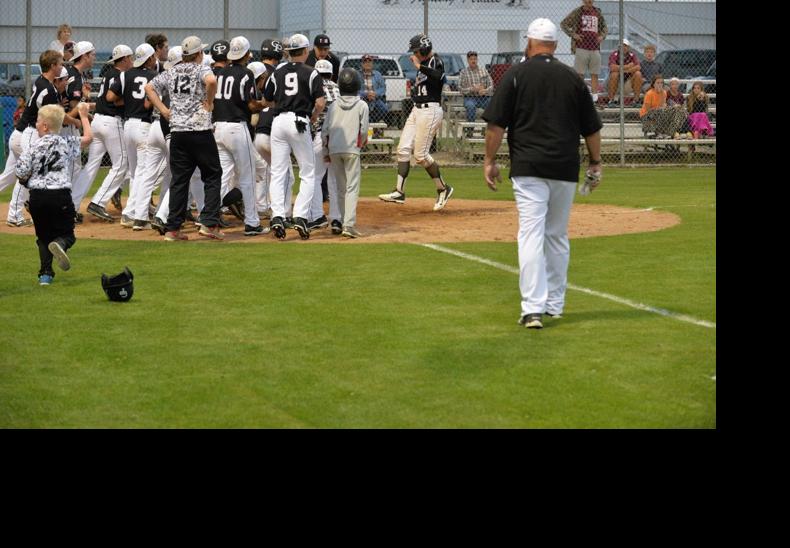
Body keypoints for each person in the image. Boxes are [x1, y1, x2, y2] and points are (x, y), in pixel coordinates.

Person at [483, 18, 603, 329]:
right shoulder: (573, 77)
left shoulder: (516, 74)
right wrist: (595, 161)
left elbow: (496, 125)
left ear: (530, 42)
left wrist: (489, 161)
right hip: (565, 167)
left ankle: (532, 309)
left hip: (528, 167)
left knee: (531, 236)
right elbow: (592, 127)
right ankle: (555, 304)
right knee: (557, 236)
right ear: (555, 45)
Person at [145, 35, 224, 241]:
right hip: (199, 130)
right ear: (199, 53)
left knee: (180, 180)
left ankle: (172, 229)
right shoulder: (201, 68)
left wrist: (163, 109)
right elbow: (212, 81)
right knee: (213, 174)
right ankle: (209, 223)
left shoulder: (172, 71)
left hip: (178, 132)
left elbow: (149, 88)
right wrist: (209, 101)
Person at [15, 103, 92, 285]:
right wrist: (83, 115)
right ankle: (61, 243)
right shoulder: (66, 142)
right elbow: (88, 138)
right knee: (68, 235)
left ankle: (45, 275)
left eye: (38, 121)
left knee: (42, 237)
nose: (36, 124)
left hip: (38, 197)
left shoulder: (33, 146)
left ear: (44, 126)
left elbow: (21, 172)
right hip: (60, 195)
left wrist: (29, 178)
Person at [379, 34, 453, 212]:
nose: (415, 54)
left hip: (430, 110)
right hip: (417, 109)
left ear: (424, 49)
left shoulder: (435, 60)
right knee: (403, 149)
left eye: (416, 51)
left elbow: (440, 77)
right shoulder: (424, 64)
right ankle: (399, 191)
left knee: (420, 156)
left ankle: (443, 189)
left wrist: (419, 66)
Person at [262, 33, 326, 240]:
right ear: (306, 51)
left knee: (278, 172)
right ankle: (300, 217)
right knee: (307, 172)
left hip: (278, 121)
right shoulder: (312, 72)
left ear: (288, 52)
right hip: (299, 121)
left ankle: (278, 215)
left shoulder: (278, 72)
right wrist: (313, 117)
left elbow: (267, 99)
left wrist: (283, 106)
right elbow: (320, 103)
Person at [1, 50, 65, 228]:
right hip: (28, 134)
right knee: (27, 174)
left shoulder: (41, 80)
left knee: (8, 177)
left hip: (20, 134)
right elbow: (48, 121)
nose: (61, 67)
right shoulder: (49, 89)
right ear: (52, 66)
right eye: (59, 64)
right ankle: (14, 215)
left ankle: (27, 207)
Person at [213, 35, 268, 236]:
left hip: (218, 127)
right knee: (247, 176)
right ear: (245, 54)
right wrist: (265, 104)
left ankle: (209, 218)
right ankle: (252, 223)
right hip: (237, 127)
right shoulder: (246, 74)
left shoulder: (219, 73)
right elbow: (251, 104)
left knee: (222, 175)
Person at [74, 44, 133, 223]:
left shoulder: (109, 73)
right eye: (130, 57)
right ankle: (98, 202)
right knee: (121, 164)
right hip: (111, 122)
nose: (131, 60)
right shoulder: (121, 75)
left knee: (91, 165)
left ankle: (71, 205)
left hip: (98, 121)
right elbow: (112, 99)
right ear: (123, 59)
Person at [110, 43, 157, 230]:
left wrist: (128, 100)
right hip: (144, 126)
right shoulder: (154, 76)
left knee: (136, 172)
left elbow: (110, 97)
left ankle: (129, 212)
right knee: (144, 173)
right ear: (150, 58)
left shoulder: (125, 74)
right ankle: (137, 214)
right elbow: (147, 104)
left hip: (127, 125)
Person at [322, 67, 370, 238]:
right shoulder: (362, 104)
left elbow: (325, 130)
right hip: (351, 149)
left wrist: (326, 149)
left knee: (341, 188)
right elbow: (364, 130)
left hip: (334, 149)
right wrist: (361, 142)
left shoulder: (334, 105)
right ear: (357, 85)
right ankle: (348, 225)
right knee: (351, 188)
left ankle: (343, 221)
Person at [62, 41, 96, 217]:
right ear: (84, 56)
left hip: (68, 126)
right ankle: (66, 210)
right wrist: (89, 107)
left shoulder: (75, 74)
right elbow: (75, 109)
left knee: (74, 169)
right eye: (92, 54)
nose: (94, 57)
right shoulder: (75, 76)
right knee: (69, 170)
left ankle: (70, 208)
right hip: (67, 127)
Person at [561, 0, 608, 102]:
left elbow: (604, 27)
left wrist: (602, 36)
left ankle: (595, 97)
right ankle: (580, 96)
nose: (589, 1)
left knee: (594, 73)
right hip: (581, 47)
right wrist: (574, 35)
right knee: (580, 74)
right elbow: (564, 24)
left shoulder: (597, 12)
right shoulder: (578, 12)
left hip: (595, 47)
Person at [458, 50, 493, 130]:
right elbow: (460, 88)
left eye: (475, 59)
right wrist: (471, 89)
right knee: (470, 106)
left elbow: (491, 85)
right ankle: (470, 130)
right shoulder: (463, 72)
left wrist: (485, 90)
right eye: (471, 59)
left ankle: (487, 129)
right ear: (467, 60)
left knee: (492, 104)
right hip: (470, 97)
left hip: (484, 97)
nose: (473, 61)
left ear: (477, 59)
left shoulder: (483, 70)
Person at [606, 38, 643, 106]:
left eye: (625, 46)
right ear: (619, 47)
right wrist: (627, 66)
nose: (623, 48)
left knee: (638, 74)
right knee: (614, 74)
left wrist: (623, 70)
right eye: (621, 46)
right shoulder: (614, 54)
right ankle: (611, 100)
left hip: (627, 83)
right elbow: (612, 67)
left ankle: (636, 101)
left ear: (628, 47)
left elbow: (638, 67)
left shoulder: (632, 55)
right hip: (615, 84)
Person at [358, 54, 388, 125]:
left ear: (372, 63)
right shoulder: (357, 75)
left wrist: (375, 94)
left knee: (384, 110)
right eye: (365, 61)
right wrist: (366, 94)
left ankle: (371, 122)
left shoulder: (378, 74)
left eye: (369, 61)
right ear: (362, 64)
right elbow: (355, 89)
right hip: (362, 99)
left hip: (375, 99)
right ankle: (367, 124)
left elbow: (383, 88)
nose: (367, 63)